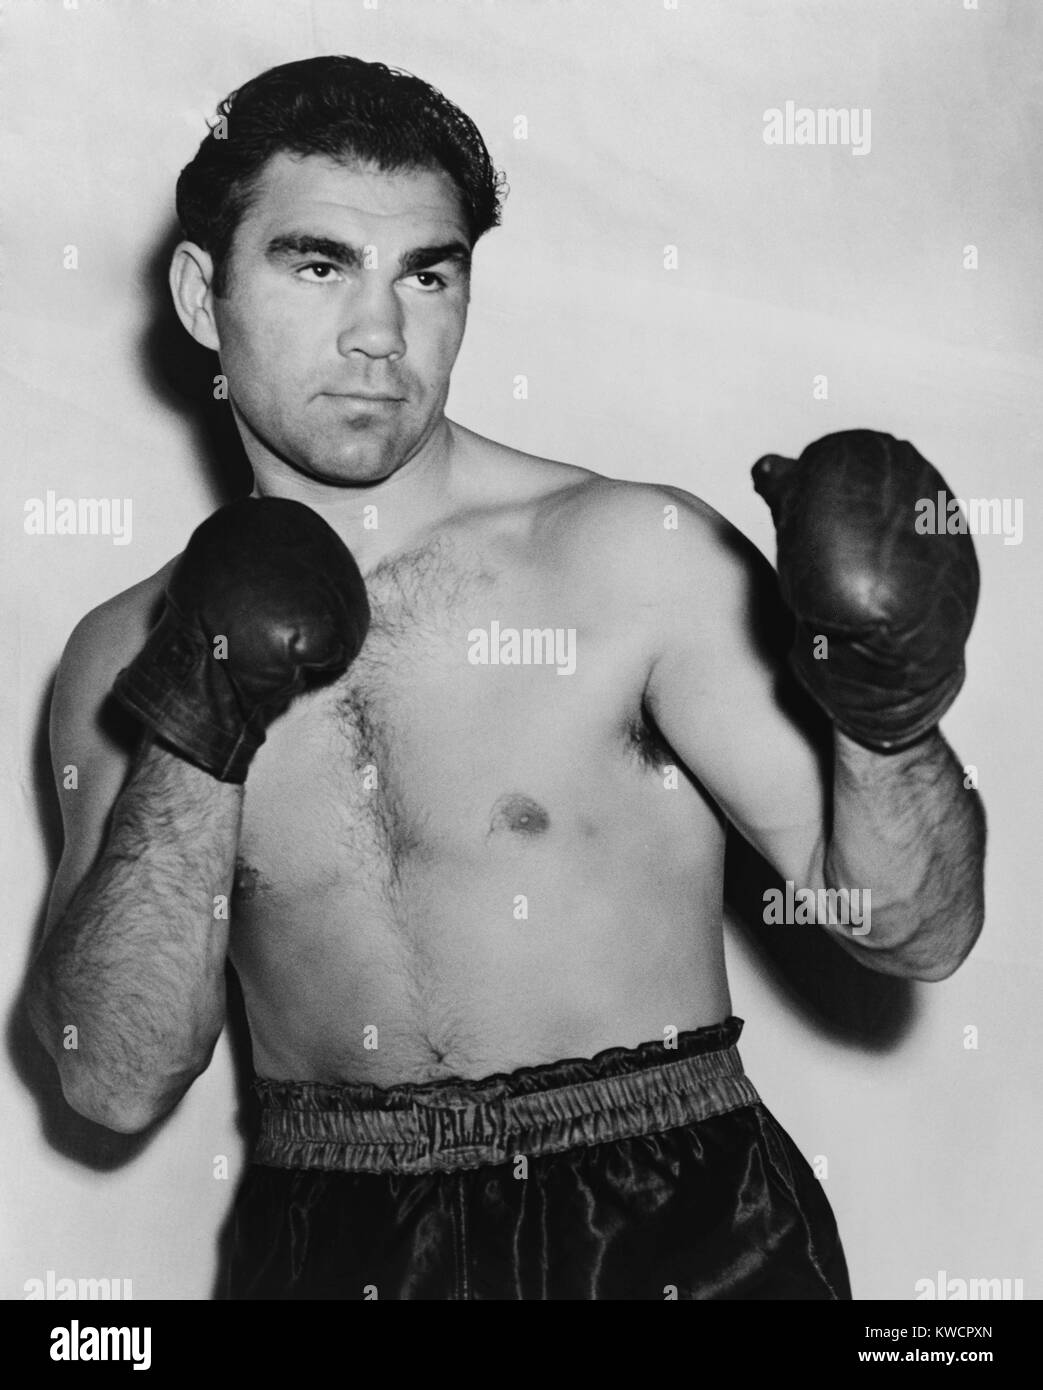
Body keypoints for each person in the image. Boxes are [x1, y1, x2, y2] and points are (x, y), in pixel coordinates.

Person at [25, 56, 984, 1301]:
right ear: (203, 296)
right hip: (332, 1235)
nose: (379, 333)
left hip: (675, 1224)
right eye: (318, 265)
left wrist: (887, 718)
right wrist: (193, 725)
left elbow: (918, 935)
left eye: (426, 273)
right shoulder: (118, 656)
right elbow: (110, 1076)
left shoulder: (629, 557)